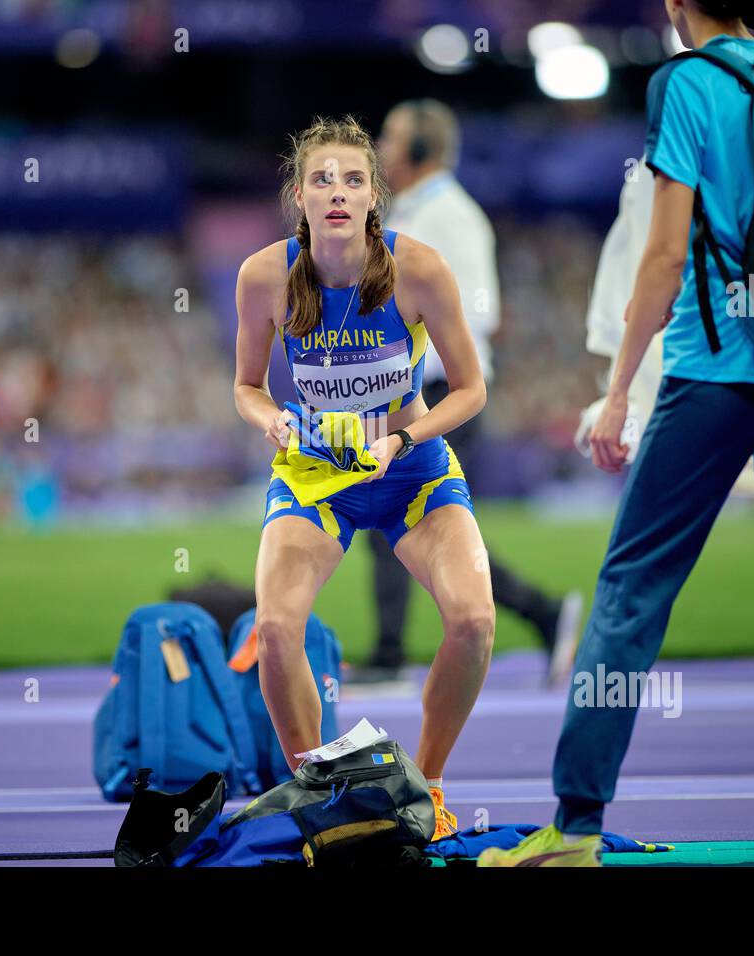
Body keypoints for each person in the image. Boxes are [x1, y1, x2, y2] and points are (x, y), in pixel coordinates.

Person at [480, 0, 754, 867]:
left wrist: (620, 387)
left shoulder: (690, 83)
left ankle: (576, 828)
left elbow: (665, 256)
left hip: (721, 370)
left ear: (677, 6)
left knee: (633, 587)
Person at [233, 115, 494, 840]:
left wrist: (404, 438)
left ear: (375, 196)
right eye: (323, 180)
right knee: (278, 628)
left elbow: (471, 390)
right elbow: (246, 386)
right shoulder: (264, 275)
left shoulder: (421, 269)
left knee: (473, 619)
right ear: (299, 196)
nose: (338, 192)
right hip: (317, 471)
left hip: (409, 468)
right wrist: (272, 422)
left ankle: (431, 785)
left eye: (353, 179)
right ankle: (318, 796)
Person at [355, 99, 581, 684]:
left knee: (412, 524)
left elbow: (477, 316)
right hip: (426, 390)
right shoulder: (430, 213)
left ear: (420, 151)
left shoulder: (443, 218)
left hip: (435, 393)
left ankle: (391, 655)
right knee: (420, 524)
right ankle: (543, 613)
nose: (382, 147)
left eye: (392, 136)